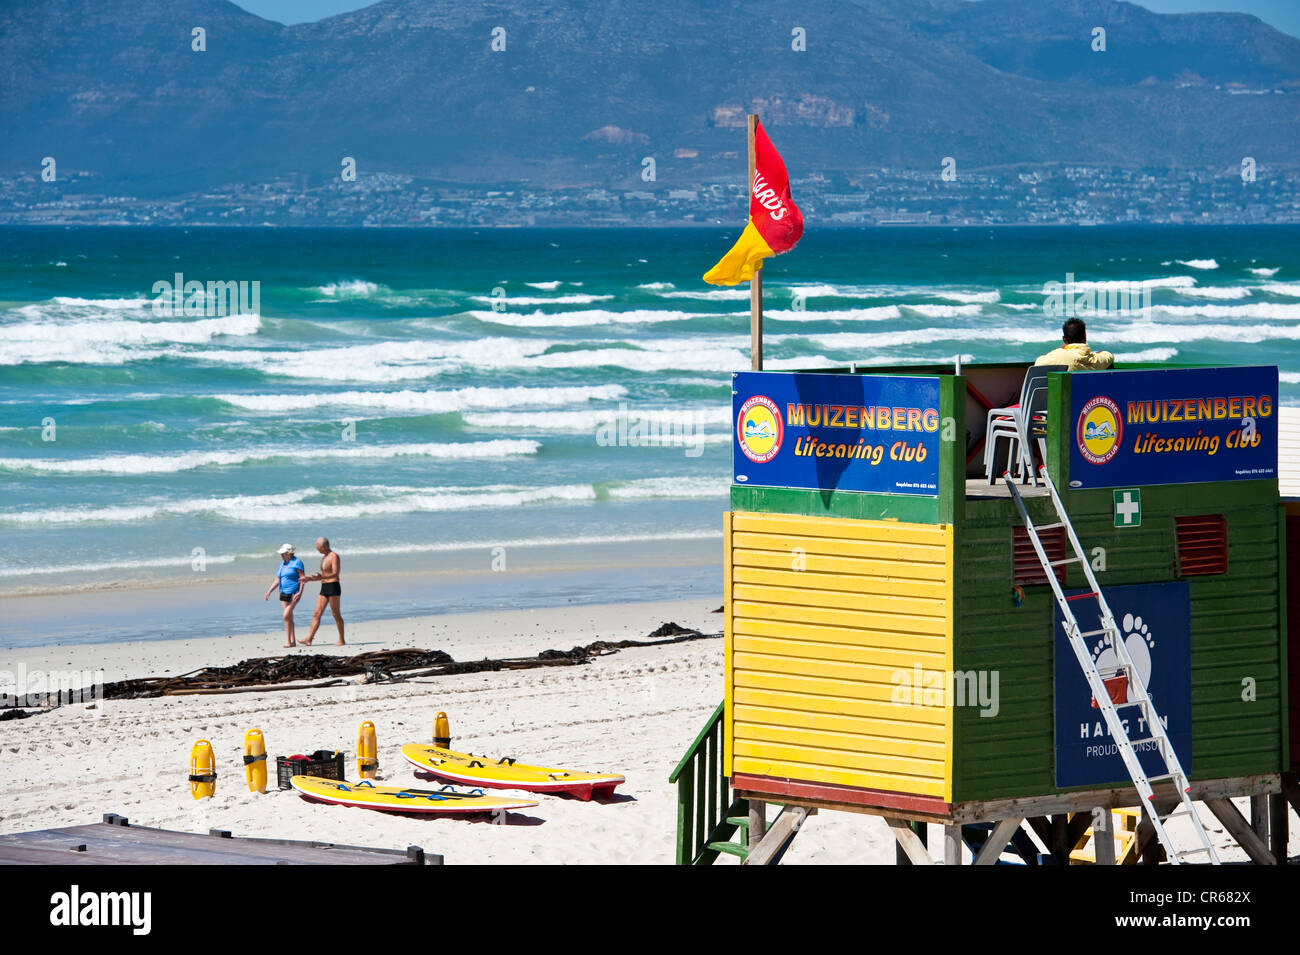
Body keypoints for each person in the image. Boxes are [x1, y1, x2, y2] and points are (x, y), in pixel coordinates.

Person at [301, 536, 344, 647]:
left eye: (318, 547)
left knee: (336, 614)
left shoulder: (334, 556)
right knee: (316, 613)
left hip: (333, 586)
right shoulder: (324, 557)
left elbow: (335, 573)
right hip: (324, 587)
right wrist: (310, 578)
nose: (317, 549)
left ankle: (341, 639)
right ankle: (309, 639)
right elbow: (323, 576)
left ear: (324, 546)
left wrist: (320, 576)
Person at [263, 543, 305, 648]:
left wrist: (300, 592)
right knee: (289, 617)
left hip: (294, 593)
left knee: (285, 615)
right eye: (281, 553)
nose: (281, 555)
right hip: (283, 592)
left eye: (283, 553)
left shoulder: (297, 562)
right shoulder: (282, 564)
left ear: (289, 553)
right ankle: (293, 641)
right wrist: (269, 591)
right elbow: (278, 579)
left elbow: (302, 579)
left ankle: (288, 642)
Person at [1035, 317, 1114, 371]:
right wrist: (1098, 353)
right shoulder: (1091, 359)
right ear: (1084, 337)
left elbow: (1037, 364)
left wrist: (1060, 349)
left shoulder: (1055, 355)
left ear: (1064, 339)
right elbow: (1109, 356)